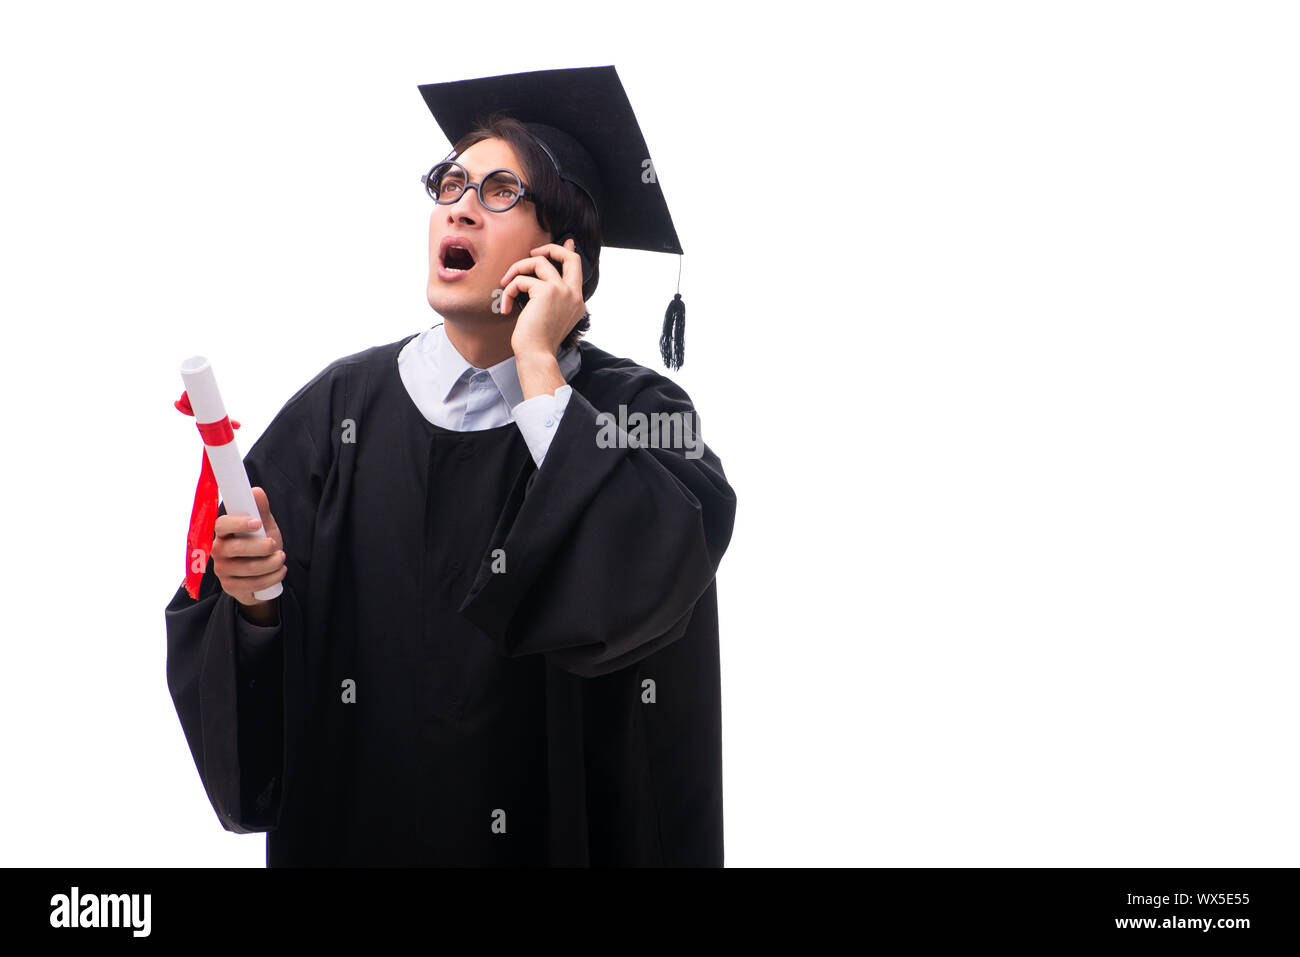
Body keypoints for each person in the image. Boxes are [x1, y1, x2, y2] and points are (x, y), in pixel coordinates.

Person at [165, 66, 736, 866]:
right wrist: (253, 603)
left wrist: (541, 370)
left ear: (561, 251)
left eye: (502, 190)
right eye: (452, 182)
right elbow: (243, 671)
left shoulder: (642, 417)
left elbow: (640, 584)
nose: (461, 205)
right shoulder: (338, 414)